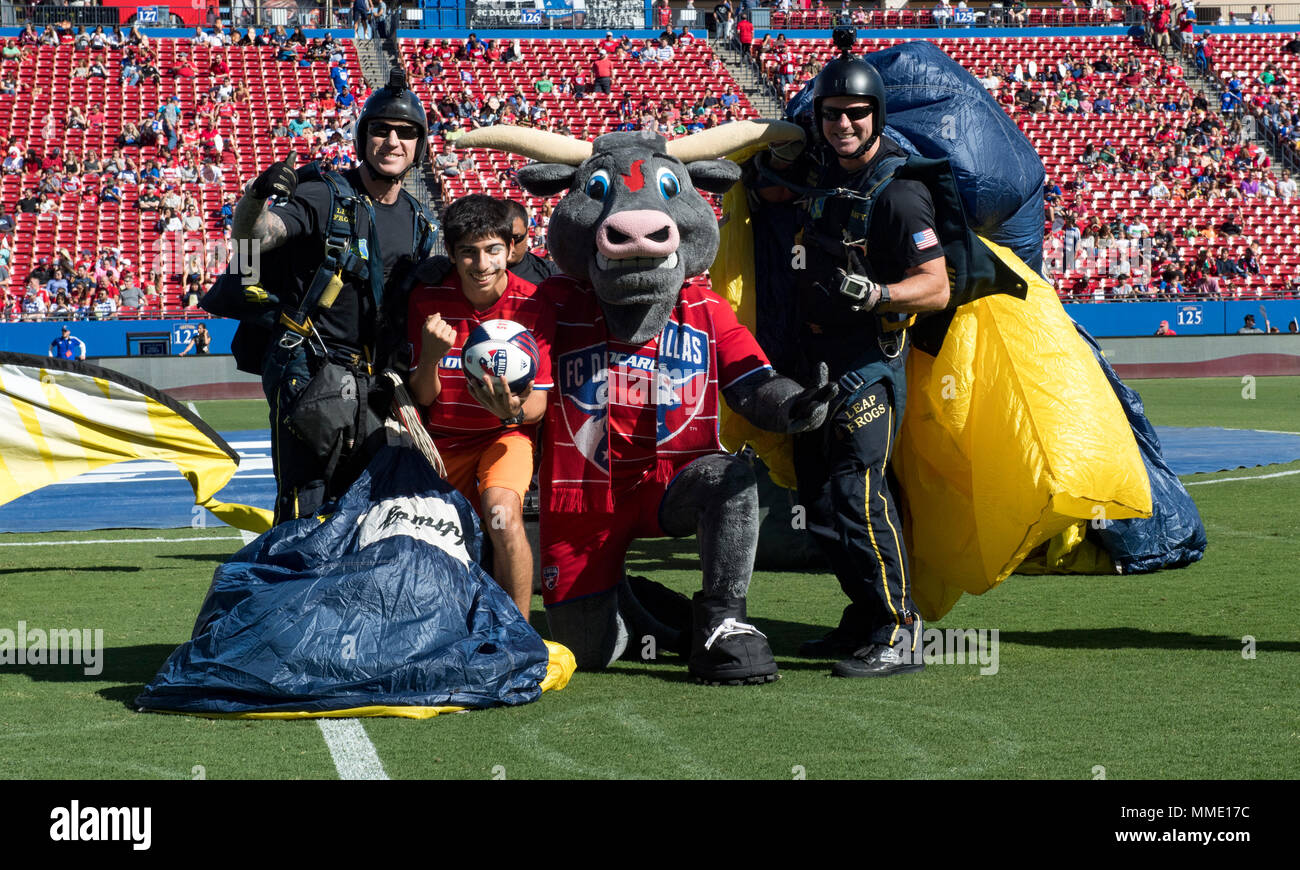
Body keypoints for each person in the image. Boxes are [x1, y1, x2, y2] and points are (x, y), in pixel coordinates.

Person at [750, 37, 954, 678]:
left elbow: (936, 286)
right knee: (820, 500)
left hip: (867, 363)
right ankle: (866, 615)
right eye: (831, 113)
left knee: (856, 493)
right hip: (811, 361)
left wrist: (878, 293)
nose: (844, 124)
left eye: (856, 114)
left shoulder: (898, 192)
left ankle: (901, 628)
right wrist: (775, 158)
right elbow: (768, 193)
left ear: (877, 115)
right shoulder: (820, 174)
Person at [230, 71, 436, 524]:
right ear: (363, 138)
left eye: (406, 133)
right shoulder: (323, 196)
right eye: (381, 129)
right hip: (312, 373)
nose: (393, 141)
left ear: (419, 145)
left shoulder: (419, 219)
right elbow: (252, 239)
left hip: (378, 381)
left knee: (371, 510)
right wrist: (256, 196)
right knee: (307, 507)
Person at [406, 197, 554, 621]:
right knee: (427, 537)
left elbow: (539, 404)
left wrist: (511, 410)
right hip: (442, 441)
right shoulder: (427, 301)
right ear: (451, 254)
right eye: (469, 252)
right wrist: (431, 357)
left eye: (492, 249)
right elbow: (423, 397)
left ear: (511, 248)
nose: (482, 263)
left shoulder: (534, 305)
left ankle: (517, 636)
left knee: (503, 515)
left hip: (504, 436)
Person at [502, 199, 560, 286]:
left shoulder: (551, 273)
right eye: (502, 238)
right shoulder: (480, 274)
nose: (509, 246)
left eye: (516, 237)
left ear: (527, 233)